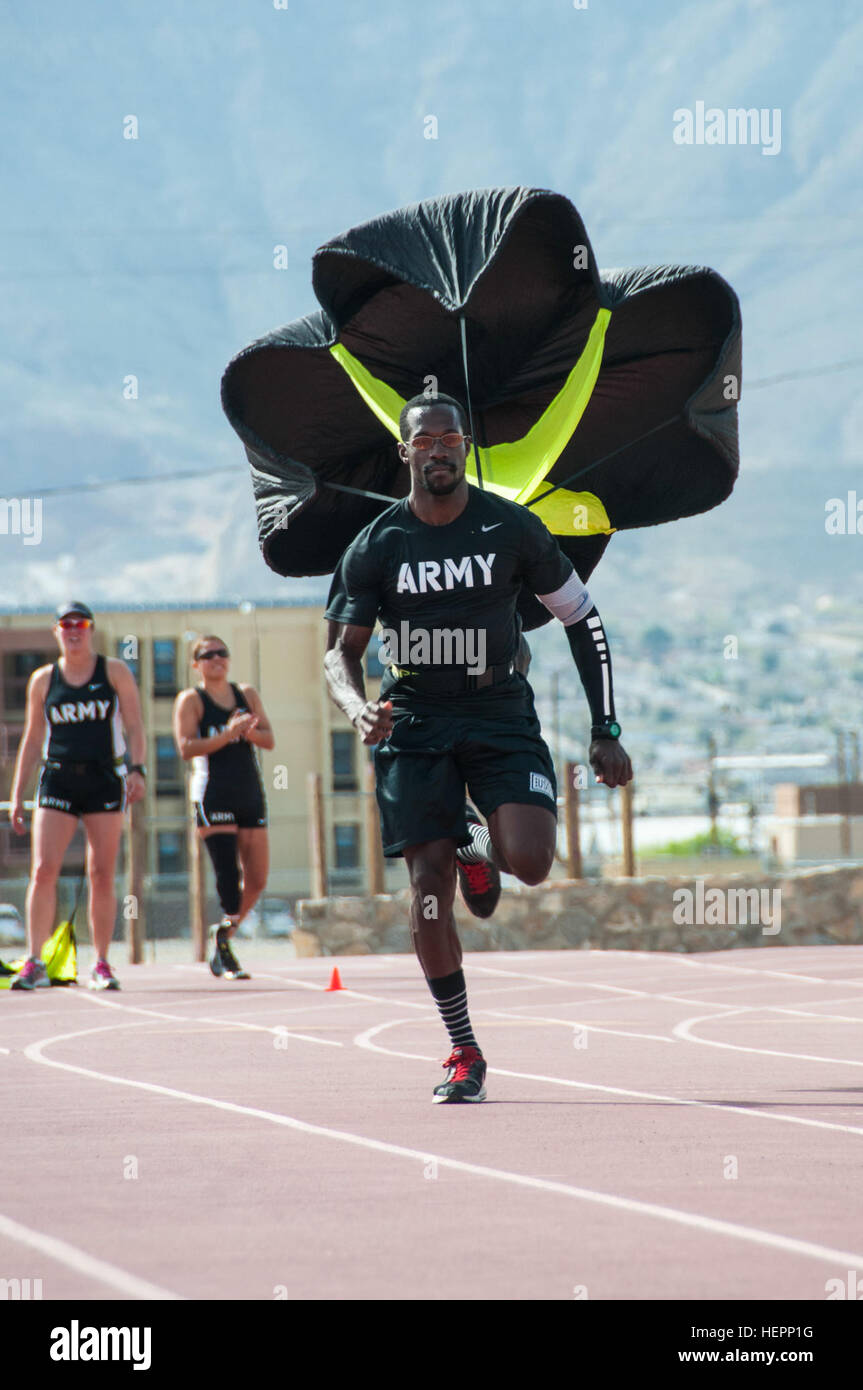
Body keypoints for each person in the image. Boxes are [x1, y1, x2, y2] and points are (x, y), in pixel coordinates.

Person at [324, 393, 632, 1103]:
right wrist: (354, 706)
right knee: (427, 893)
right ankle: (462, 1049)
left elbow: (582, 619)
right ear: (405, 453)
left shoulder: (510, 527)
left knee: (528, 862)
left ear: (466, 447)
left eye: (451, 438)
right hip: (415, 721)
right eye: (424, 441)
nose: (439, 450)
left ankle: (479, 847)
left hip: (497, 709)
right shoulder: (377, 545)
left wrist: (604, 727)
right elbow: (340, 652)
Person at [7, 601, 146, 990]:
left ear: (91, 629)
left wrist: (137, 770)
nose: (74, 630)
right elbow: (33, 740)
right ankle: (35, 961)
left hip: (104, 777)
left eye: (81, 624)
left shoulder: (114, 672)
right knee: (43, 869)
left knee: (101, 872)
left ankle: (101, 962)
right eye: (66, 624)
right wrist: (18, 795)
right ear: (56, 631)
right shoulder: (44, 679)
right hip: (58, 779)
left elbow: (135, 726)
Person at [173, 636, 274, 981]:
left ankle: (224, 934)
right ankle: (227, 952)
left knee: (258, 877)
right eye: (208, 655)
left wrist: (247, 733)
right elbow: (186, 747)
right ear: (195, 664)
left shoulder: (246, 694)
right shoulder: (191, 700)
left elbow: (269, 739)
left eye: (222, 653)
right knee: (228, 877)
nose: (216, 659)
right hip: (212, 793)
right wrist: (229, 734)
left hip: (248, 789)